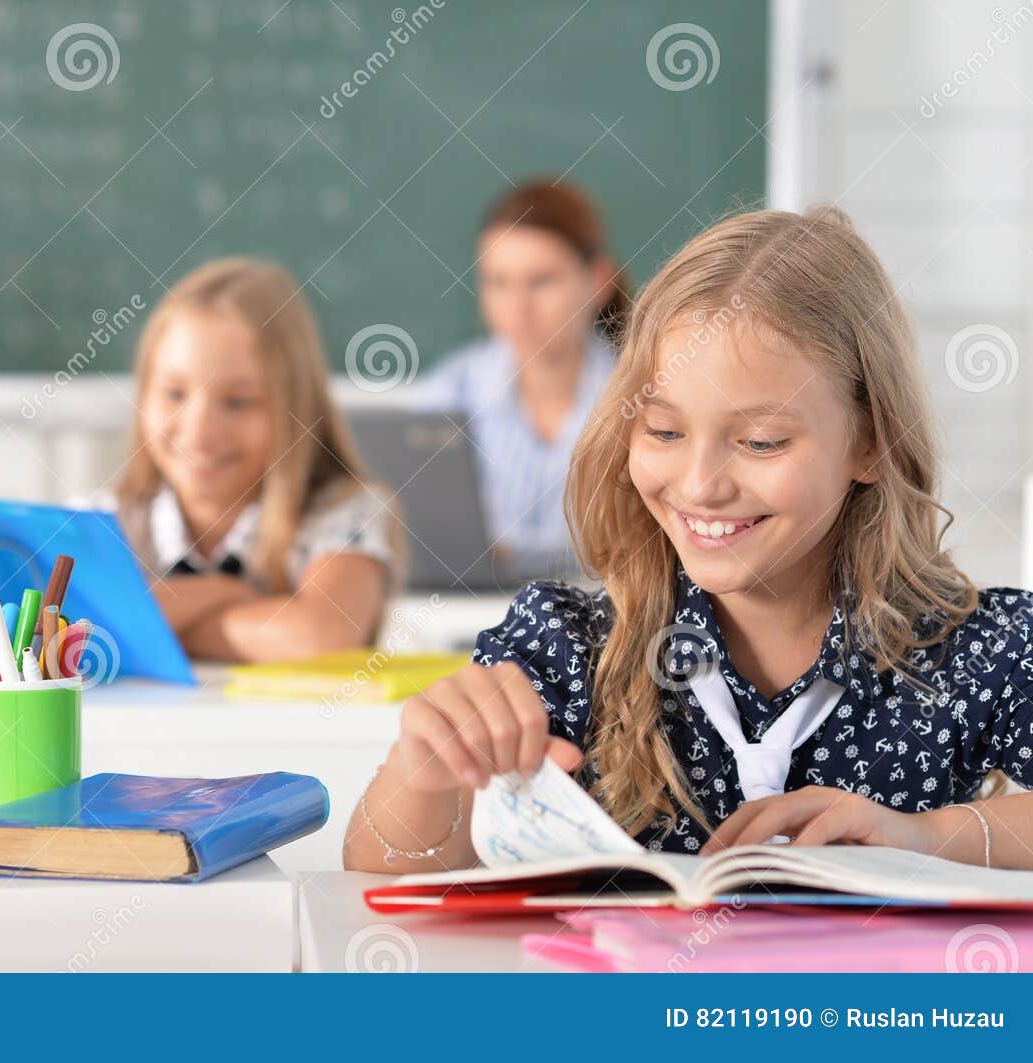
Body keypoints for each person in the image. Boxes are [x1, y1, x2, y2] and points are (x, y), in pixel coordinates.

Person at [347, 206, 1033, 871]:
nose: (701, 485)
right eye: (665, 432)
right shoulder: (572, 645)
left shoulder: (978, 648)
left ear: (872, 441)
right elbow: (381, 865)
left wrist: (923, 836)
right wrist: (424, 771)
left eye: (761, 441)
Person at [109, 257, 403, 662]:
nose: (199, 432)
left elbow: (320, 639)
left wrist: (141, 623)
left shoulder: (341, 511)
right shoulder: (106, 521)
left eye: (239, 402)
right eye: (174, 394)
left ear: (296, 410)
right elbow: (58, 631)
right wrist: (222, 592)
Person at [419, 179, 625, 581]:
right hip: (470, 619)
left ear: (598, 281)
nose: (518, 308)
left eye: (541, 281)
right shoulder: (447, 393)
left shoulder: (646, 394)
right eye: (498, 282)